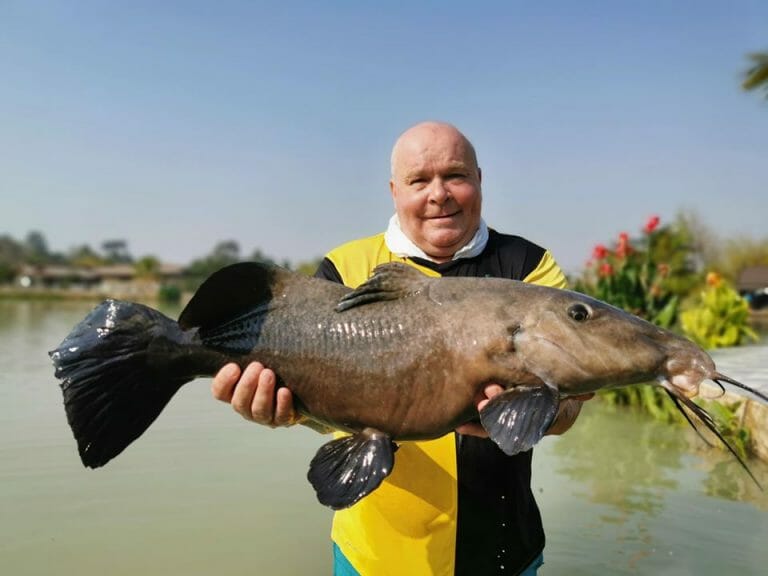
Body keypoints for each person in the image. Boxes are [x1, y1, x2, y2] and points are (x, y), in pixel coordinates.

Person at [212, 121, 592, 576]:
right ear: (395, 191)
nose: (439, 194)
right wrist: (284, 411)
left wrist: (543, 413)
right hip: (374, 554)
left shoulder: (529, 267)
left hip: (502, 547)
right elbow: (315, 405)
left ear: (479, 180)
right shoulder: (344, 266)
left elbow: (569, 409)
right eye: (419, 181)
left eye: (455, 175)